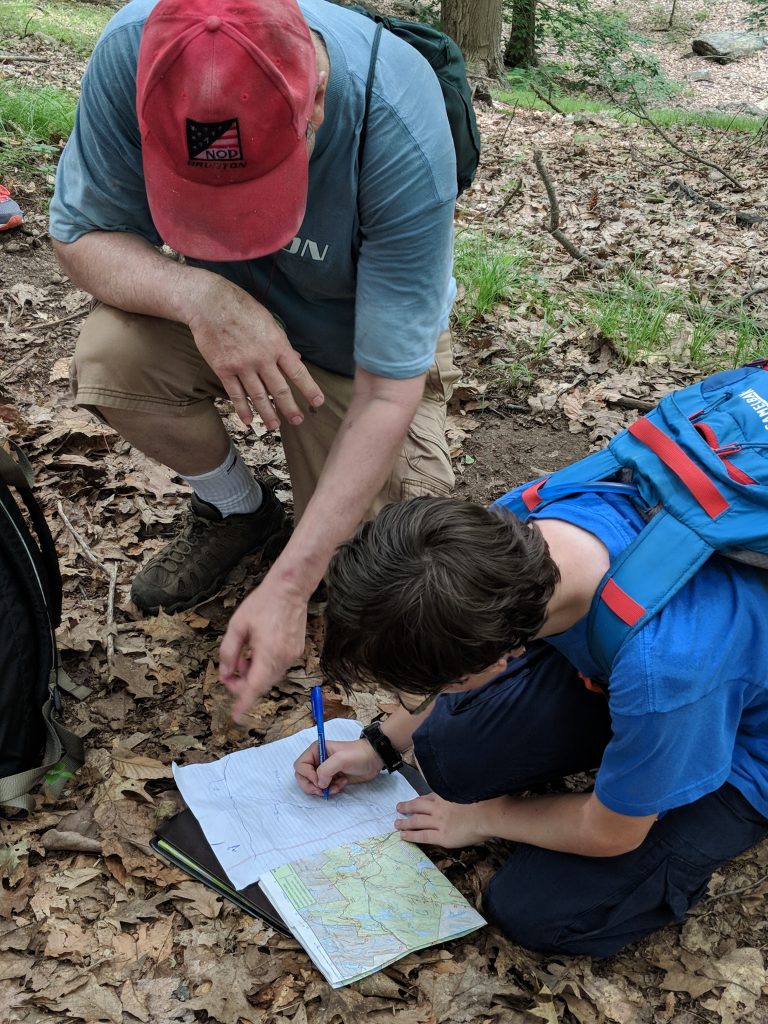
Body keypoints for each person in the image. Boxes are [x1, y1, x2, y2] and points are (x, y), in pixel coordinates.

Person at [48, 0, 459, 720]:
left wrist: (292, 587)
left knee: (386, 575)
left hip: (354, 351)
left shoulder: (397, 120)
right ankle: (240, 511)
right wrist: (202, 298)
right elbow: (80, 234)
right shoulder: (138, 53)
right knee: (112, 358)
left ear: (317, 104)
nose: (235, 218)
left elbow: (388, 395)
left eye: (253, 192)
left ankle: (304, 546)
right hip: (225, 315)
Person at [293, 493, 768, 956]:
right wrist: (379, 745)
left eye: (442, 685)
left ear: (503, 654)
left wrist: (484, 818)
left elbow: (613, 832)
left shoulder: (663, 674)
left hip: (746, 742)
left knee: (535, 908)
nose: (427, 696)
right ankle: (634, 747)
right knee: (449, 752)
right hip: (648, 664)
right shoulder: (504, 533)